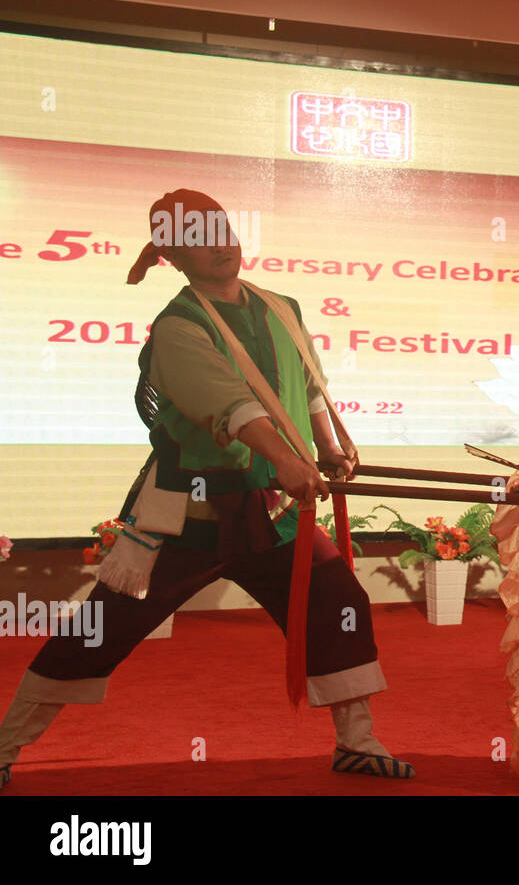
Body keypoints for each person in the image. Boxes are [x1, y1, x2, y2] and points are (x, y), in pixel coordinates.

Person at [0, 189, 412, 791]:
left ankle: (357, 741)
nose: (221, 246)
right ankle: (6, 744)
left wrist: (328, 445)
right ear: (173, 253)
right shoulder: (177, 325)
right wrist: (285, 459)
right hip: (185, 515)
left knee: (337, 604)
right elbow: (231, 405)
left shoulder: (282, 306)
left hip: (273, 515)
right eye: (199, 237)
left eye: (224, 231)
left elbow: (309, 384)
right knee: (99, 629)